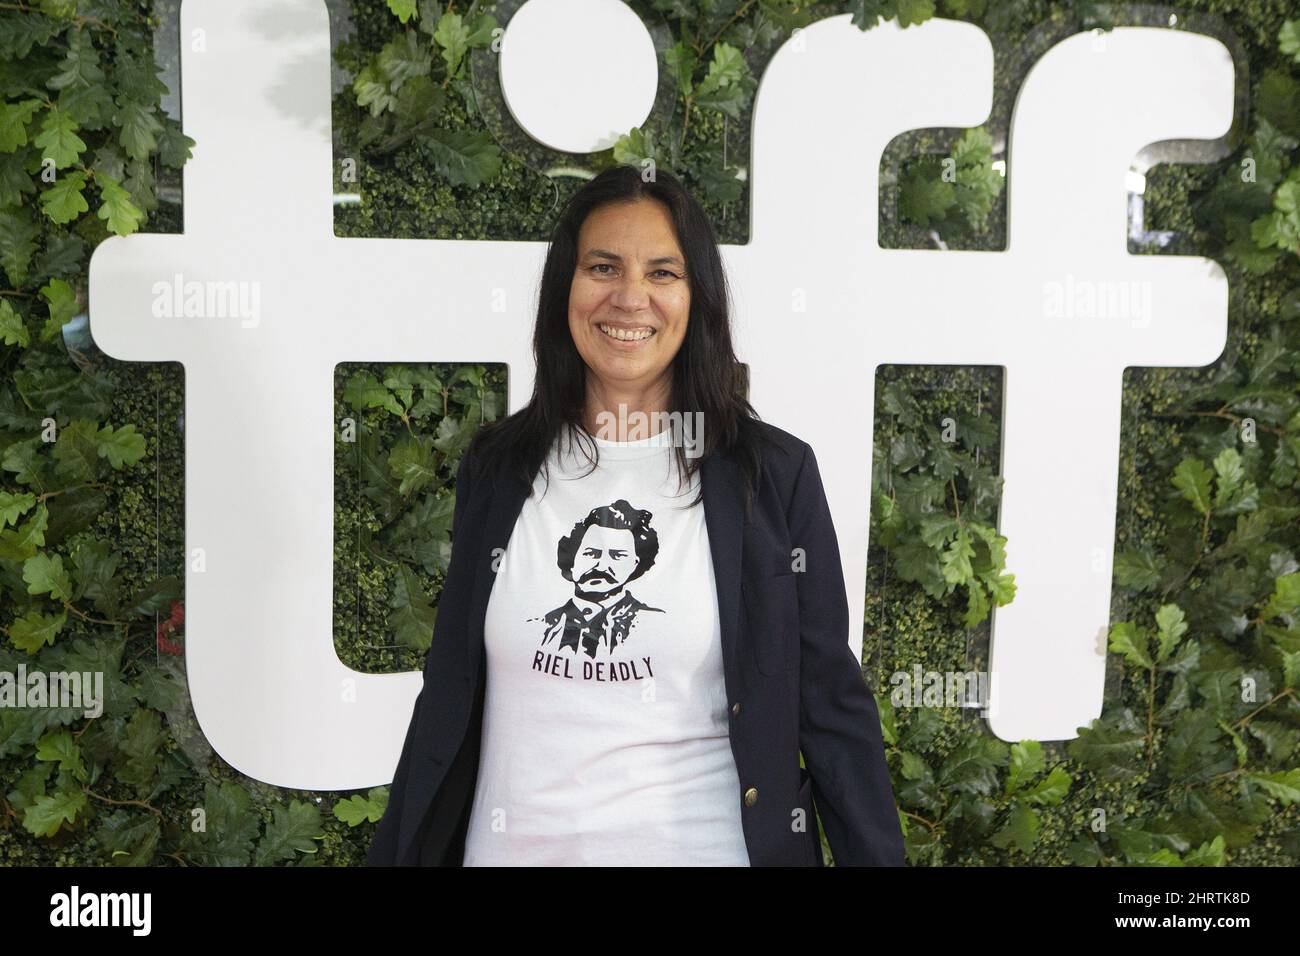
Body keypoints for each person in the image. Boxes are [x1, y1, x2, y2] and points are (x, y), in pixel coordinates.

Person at [367, 164, 906, 866]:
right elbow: (447, 697)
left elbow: (831, 710)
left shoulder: (771, 477)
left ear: (697, 298)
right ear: (566, 287)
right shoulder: (497, 469)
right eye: (603, 267)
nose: (629, 298)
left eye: (662, 273)